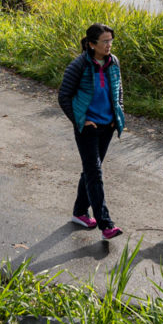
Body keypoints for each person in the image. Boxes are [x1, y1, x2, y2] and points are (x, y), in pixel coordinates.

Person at [57, 22, 125, 240]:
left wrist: (117, 116)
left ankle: (79, 212)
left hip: (107, 127)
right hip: (88, 128)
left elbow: (118, 90)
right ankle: (106, 224)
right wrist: (81, 120)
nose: (109, 45)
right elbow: (64, 96)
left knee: (90, 171)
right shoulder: (79, 65)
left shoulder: (113, 62)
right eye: (105, 41)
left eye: (111, 40)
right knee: (95, 173)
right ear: (92, 44)